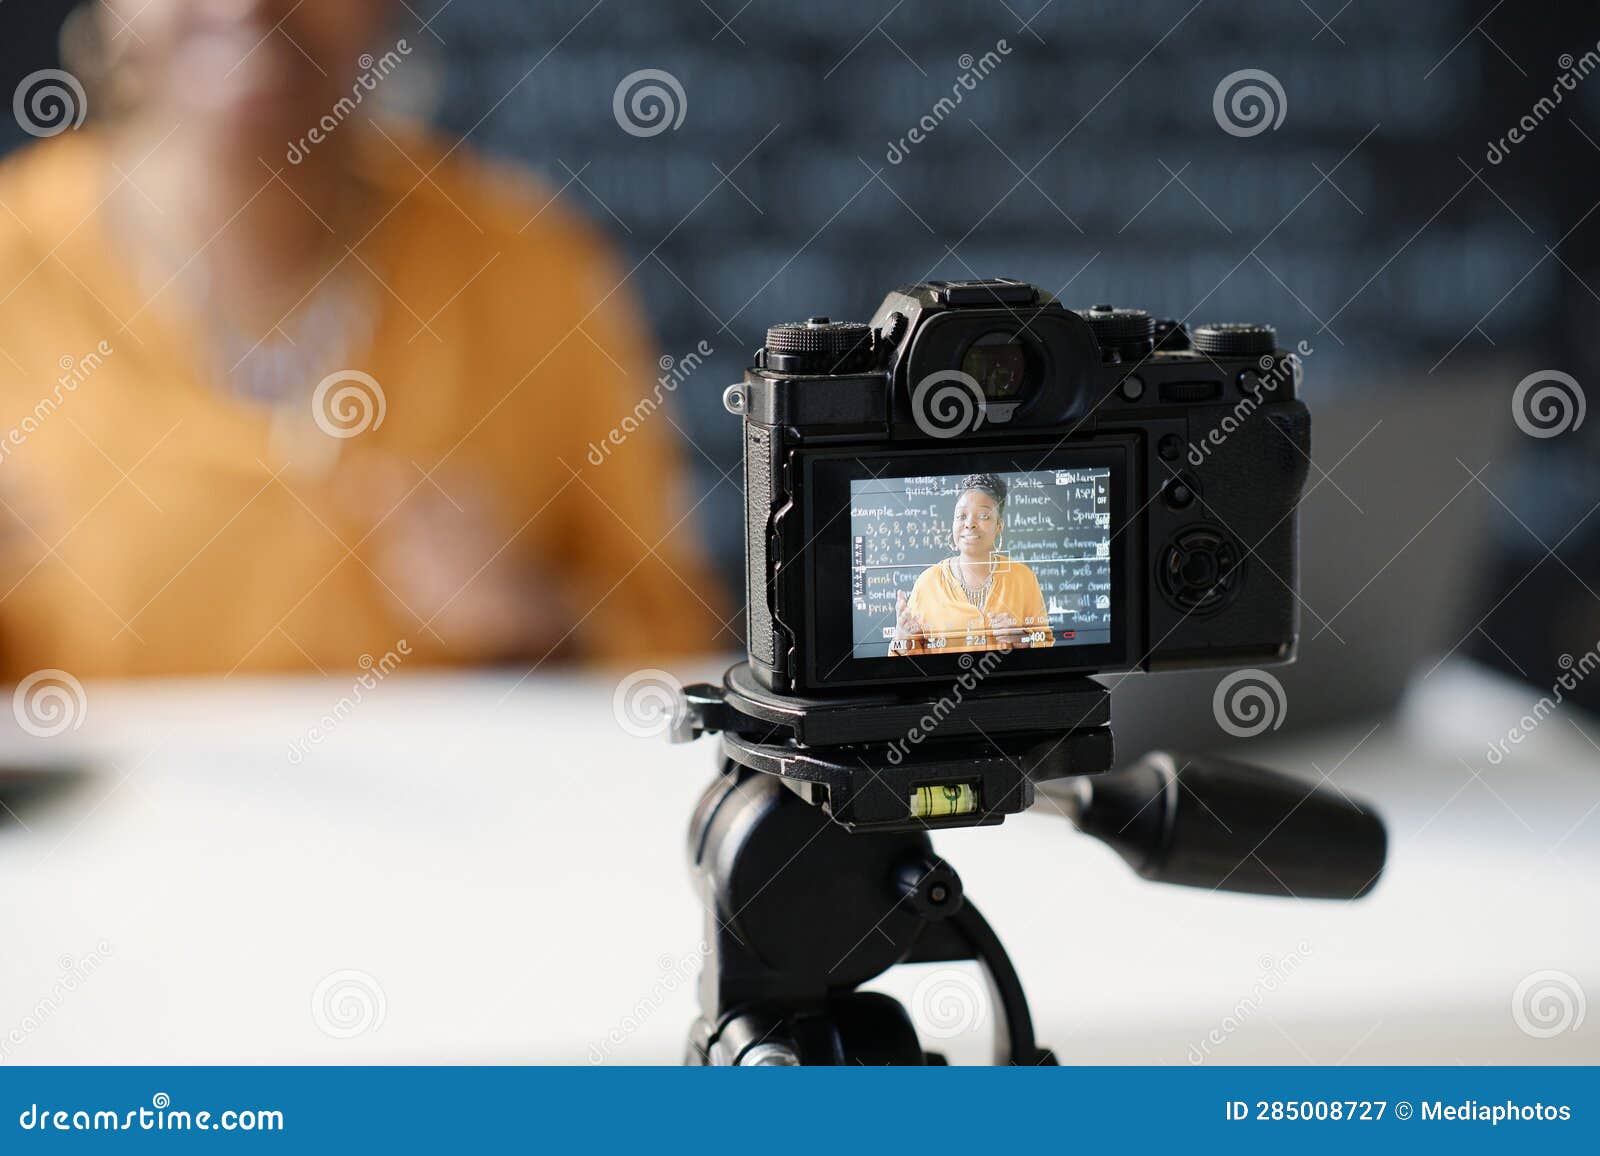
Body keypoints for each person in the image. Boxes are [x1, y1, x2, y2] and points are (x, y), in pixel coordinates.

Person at [0, 0, 723, 680]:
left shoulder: (527, 266)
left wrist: (549, 624)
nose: (247, 4)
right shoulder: (16, 260)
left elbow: (677, 646)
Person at [889, 473, 1052, 656]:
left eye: (983, 515)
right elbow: (912, 665)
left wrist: (1019, 637)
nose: (969, 524)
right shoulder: (927, 583)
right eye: (961, 516)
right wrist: (903, 638)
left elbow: (1045, 647)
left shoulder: (1023, 578)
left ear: (999, 526)